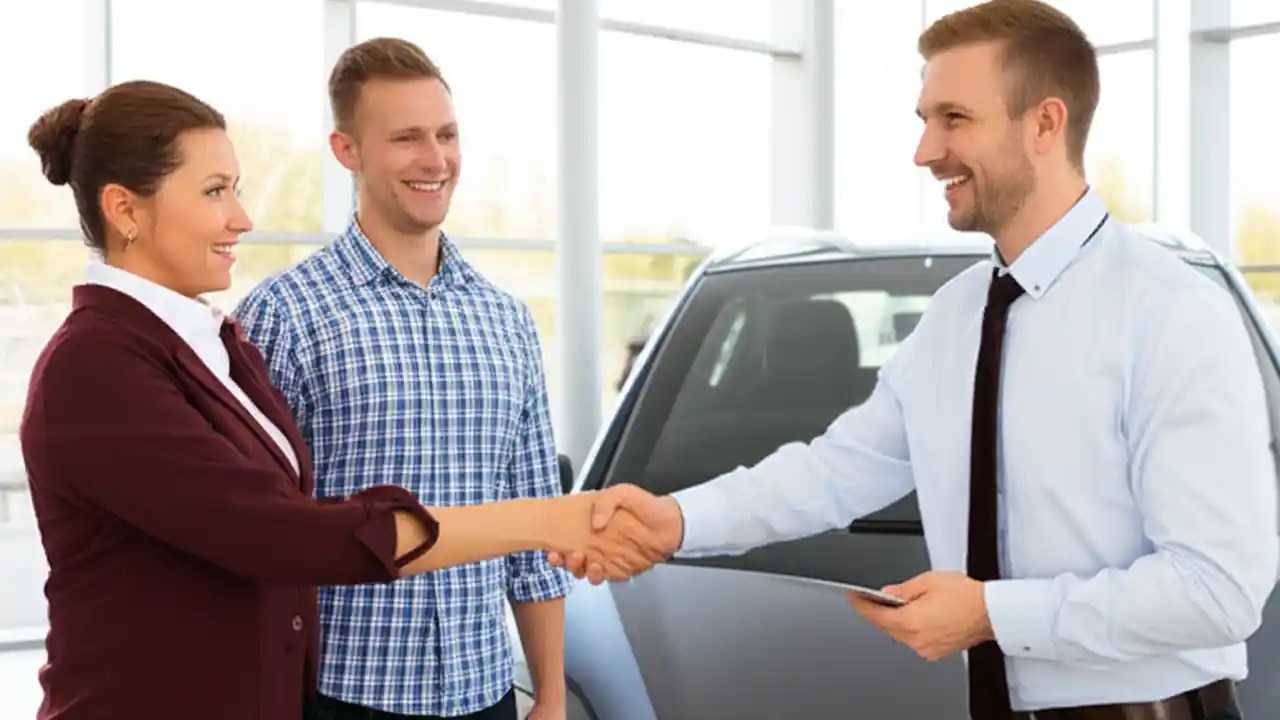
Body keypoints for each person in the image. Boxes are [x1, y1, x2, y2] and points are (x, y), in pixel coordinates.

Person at [553, 1, 1278, 719]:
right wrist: (675, 520)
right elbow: (839, 468)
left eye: (954, 119)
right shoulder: (958, 318)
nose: (925, 152)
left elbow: (1217, 589)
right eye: (925, 120)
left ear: (1046, 124)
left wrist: (992, 613)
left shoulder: (1171, 313)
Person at [20, 79, 656, 720]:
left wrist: (548, 685)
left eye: (235, 188)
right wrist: (553, 520)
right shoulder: (95, 367)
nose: (241, 217)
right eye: (215, 191)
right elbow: (281, 533)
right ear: (126, 211)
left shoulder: (212, 344)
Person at [232, 38, 572, 720]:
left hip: (487, 694)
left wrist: (553, 695)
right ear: (347, 151)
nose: (436, 159)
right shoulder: (284, 316)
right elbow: (255, 536)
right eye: (407, 138)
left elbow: (536, 533)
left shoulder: (507, 320)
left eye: (446, 135)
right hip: (342, 697)